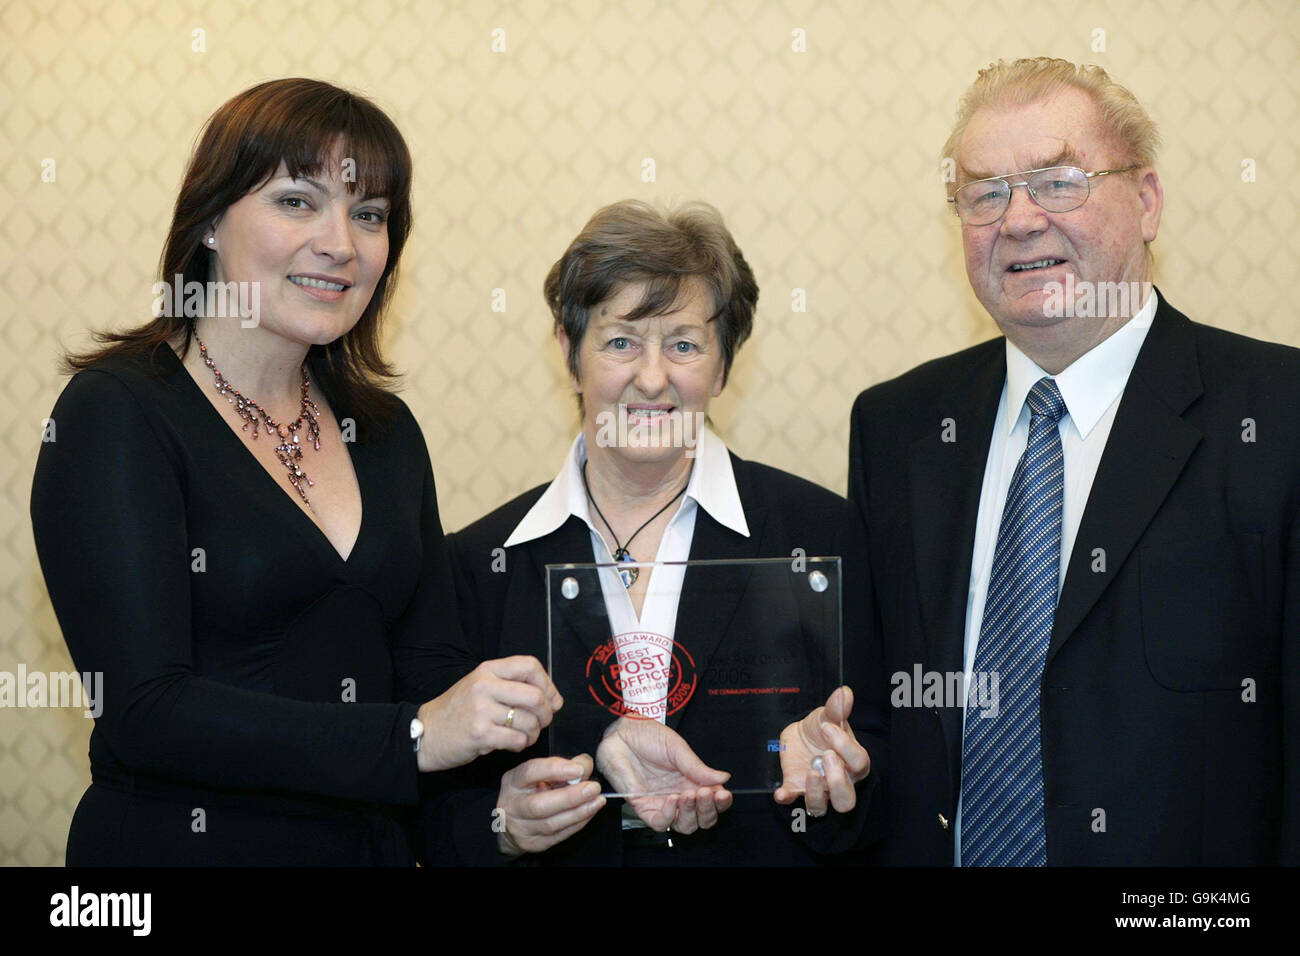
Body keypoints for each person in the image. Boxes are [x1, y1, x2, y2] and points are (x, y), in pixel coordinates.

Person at [29, 78, 560, 866]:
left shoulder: (385, 431)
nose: (341, 243)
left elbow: (427, 673)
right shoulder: (116, 413)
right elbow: (144, 709)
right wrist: (412, 736)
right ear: (209, 219)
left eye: (369, 214)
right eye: (298, 201)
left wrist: (512, 799)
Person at [848, 57, 1298, 865]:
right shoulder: (898, 426)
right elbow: (886, 718)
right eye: (984, 192)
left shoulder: (1280, 412)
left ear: (1147, 200)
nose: (1018, 220)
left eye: (1059, 182)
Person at [421, 200, 888, 865]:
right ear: (568, 353)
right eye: (620, 342)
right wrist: (502, 825)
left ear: (724, 366)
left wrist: (839, 783)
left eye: (684, 345)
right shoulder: (476, 565)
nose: (651, 377)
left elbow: (889, 778)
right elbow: (434, 815)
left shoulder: (826, 537)